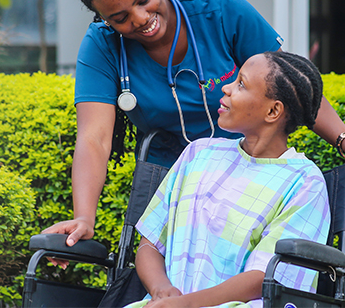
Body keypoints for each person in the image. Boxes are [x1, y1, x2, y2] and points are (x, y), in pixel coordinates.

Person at [42, 0, 345, 249]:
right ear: (104, 20)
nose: (140, 18)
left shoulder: (220, 9)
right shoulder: (102, 47)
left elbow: (289, 85)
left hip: (253, 177)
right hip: (175, 191)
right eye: (119, 18)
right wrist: (84, 217)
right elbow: (95, 138)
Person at [125, 51, 333, 308]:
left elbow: (266, 278)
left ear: (273, 111)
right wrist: (162, 291)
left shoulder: (304, 182)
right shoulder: (198, 153)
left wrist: (187, 304)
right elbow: (150, 244)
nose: (226, 88)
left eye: (241, 84)